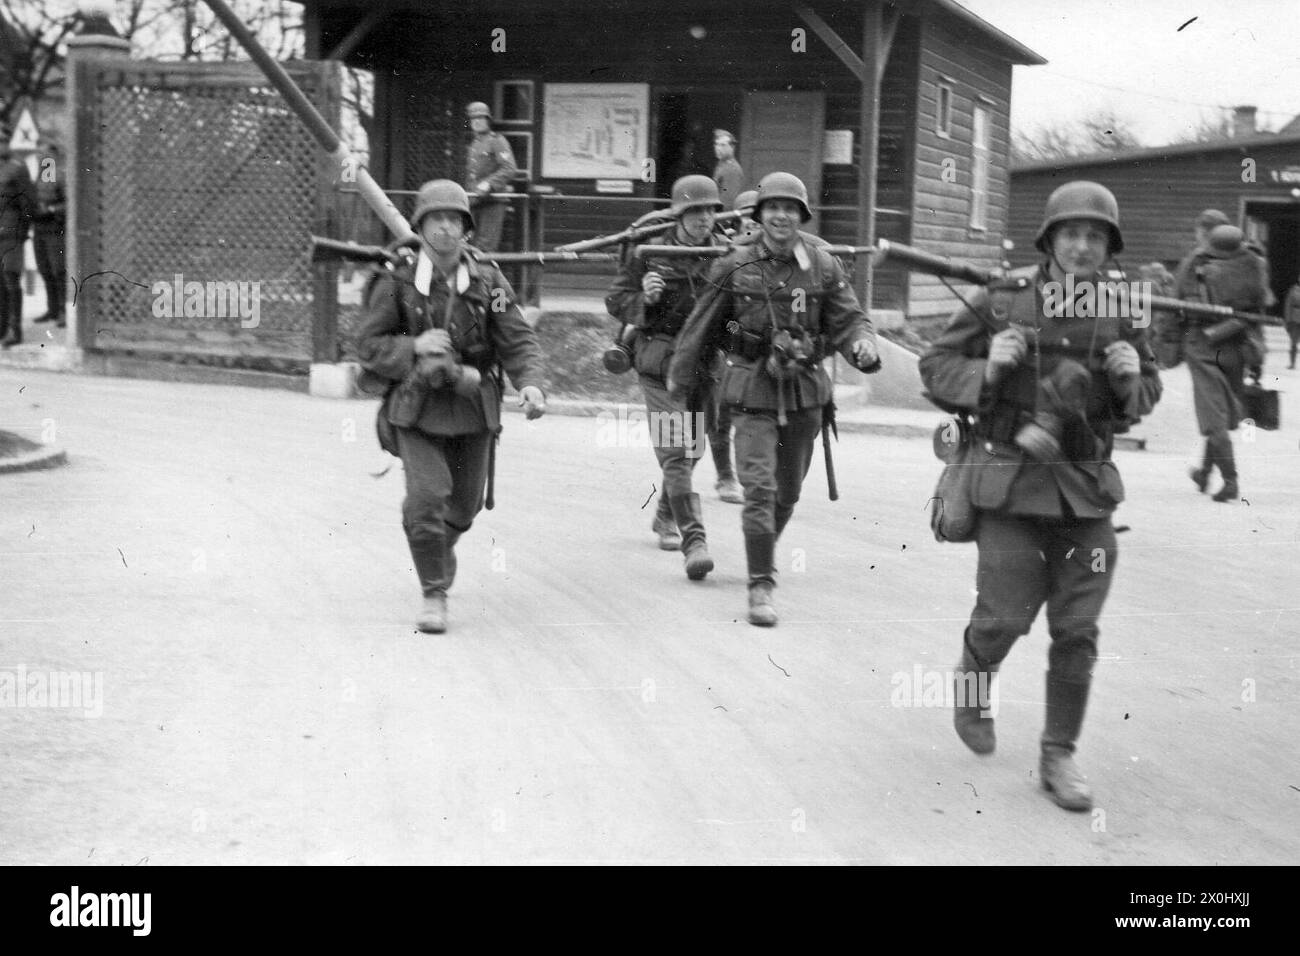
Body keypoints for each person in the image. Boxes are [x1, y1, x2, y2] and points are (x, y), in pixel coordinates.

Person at [918, 180, 1161, 812]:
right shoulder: (1002, 298)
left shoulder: (1125, 307)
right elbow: (934, 368)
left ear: (1109, 247)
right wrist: (989, 369)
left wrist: (1132, 382)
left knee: (1078, 629)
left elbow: (1147, 392)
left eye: (1095, 236)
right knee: (1003, 615)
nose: (1082, 247)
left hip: (1085, 489)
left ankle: (1059, 754)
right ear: (1049, 240)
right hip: (1011, 484)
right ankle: (975, 677)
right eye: (1071, 234)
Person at [668, 172, 880, 627]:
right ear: (759, 215)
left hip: (805, 391)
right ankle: (760, 583)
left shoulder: (823, 266)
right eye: (773, 208)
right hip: (750, 388)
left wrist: (864, 345)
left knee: (788, 493)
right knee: (759, 489)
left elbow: (849, 320)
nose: (781, 216)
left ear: (801, 216)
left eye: (790, 209)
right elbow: (701, 326)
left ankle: (763, 550)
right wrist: (681, 380)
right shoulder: (734, 265)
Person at [355, 180, 547, 634]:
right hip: (417, 406)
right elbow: (367, 343)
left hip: (473, 404)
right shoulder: (398, 282)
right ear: (421, 228)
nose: (445, 228)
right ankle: (433, 593)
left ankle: (441, 548)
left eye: (454, 220)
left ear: (466, 229)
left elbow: (516, 335)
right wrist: (414, 345)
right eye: (436, 219)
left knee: (463, 508)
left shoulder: (489, 282)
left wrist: (532, 384)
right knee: (426, 500)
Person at [605, 175, 727, 577]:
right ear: (679, 213)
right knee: (676, 449)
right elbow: (616, 299)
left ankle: (664, 513)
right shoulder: (650, 251)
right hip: (660, 359)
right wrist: (646, 296)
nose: (703, 218)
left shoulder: (725, 250)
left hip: (704, 363)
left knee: (693, 451)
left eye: (710, 210)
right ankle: (694, 540)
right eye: (695, 211)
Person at [1172, 215, 1270, 503]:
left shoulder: (1196, 261)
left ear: (1204, 232)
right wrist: (1258, 354)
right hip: (1236, 344)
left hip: (1201, 344)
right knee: (1224, 414)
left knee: (1214, 415)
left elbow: (1177, 304)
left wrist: (1167, 346)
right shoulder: (1255, 263)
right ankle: (1204, 472)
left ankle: (1230, 481)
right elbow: (1259, 311)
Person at [463, 101, 517, 253]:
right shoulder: (474, 144)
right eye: (474, 119)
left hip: (493, 201)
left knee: (485, 247)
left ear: (488, 120)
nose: (477, 121)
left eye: (481, 118)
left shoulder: (497, 141)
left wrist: (488, 184)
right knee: (470, 244)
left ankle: (485, 276)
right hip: (475, 200)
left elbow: (509, 168)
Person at [0, 130, 36, 348]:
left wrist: (22, 233)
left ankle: (15, 330)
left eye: (2, 142)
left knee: (11, 280)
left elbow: (28, 204)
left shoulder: (17, 168)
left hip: (11, 235)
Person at [33, 138, 67, 327]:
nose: (40, 157)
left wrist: (52, 210)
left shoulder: (60, 176)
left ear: (52, 155)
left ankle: (63, 311)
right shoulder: (38, 176)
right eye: (38, 154)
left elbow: (69, 203)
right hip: (39, 228)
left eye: (44, 153)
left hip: (55, 229)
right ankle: (52, 309)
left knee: (58, 270)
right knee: (44, 269)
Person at [712, 130, 745, 211]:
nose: (718, 148)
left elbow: (727, 202)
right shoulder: (722, 164)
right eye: (716, 144)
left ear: (732, 147)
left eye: (723, 145)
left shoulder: (731, 169)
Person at [1284, 279, 1300, 370]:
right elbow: (1288, 305)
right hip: (1294, 318)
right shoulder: (1293, 290)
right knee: (1293, 343)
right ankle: (1292, 363)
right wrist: (1288, 319)